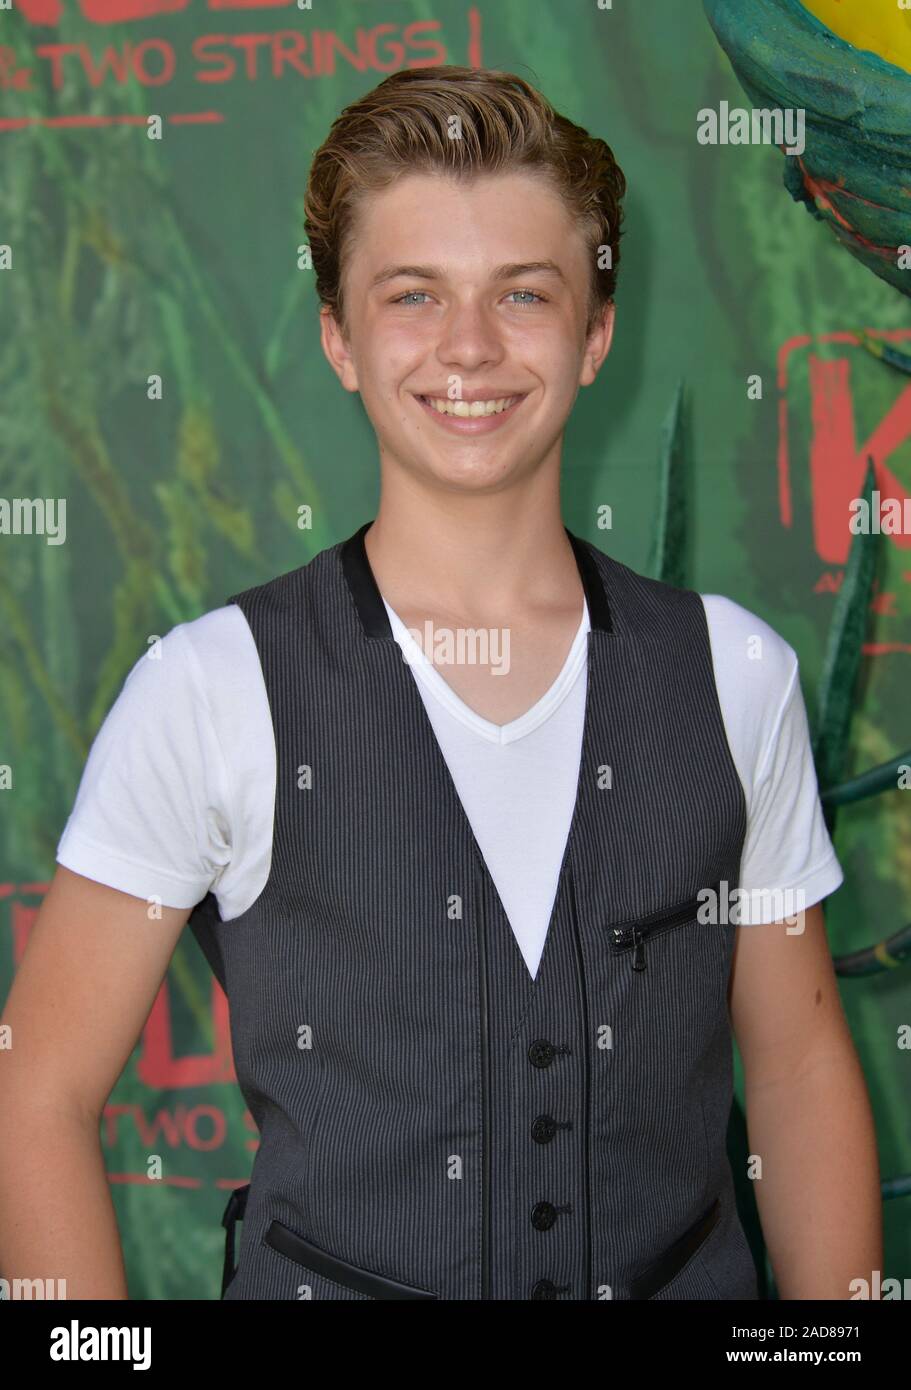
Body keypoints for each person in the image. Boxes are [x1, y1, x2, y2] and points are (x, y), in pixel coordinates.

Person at [0, 65, 882, 1301]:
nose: (468, 347)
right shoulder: (208, 690)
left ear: (595, 333)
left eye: (523, 293)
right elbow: (36, 1093)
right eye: (411, 296)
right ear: (336, 336)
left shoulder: (732, 672)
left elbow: (791, 1072)